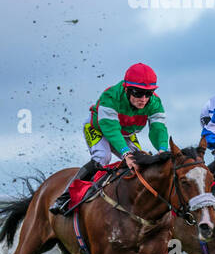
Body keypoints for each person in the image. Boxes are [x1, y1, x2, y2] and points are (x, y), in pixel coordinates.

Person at [50, 63, 169, 215]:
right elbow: (111, 130)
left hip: (125, 133)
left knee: (142, 162)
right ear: (126, 89)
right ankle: (64, 197)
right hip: (99, 129)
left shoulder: (155, 103)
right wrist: (125, 154)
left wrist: (162, 149)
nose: (144, 99)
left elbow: (158, 129)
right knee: (102, 157)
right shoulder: (110, 97)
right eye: (138, 93)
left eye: (148, 93)